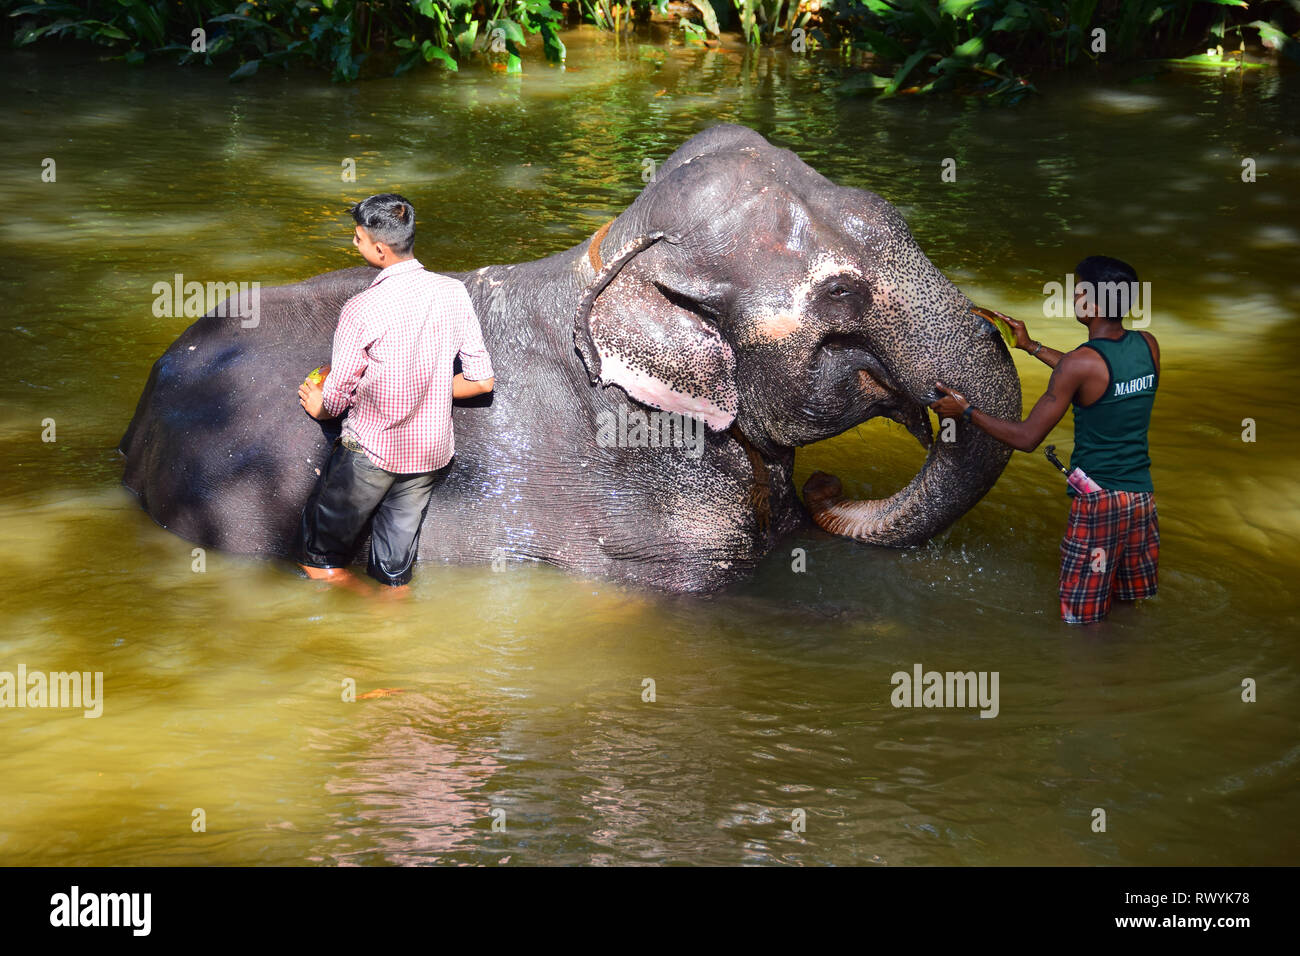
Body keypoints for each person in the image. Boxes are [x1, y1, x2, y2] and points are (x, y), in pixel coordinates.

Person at [930, 256, 1159, 625]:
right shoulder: (1148, 346)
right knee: (1126, 606)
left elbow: (1026, 438)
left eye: (1079, 292)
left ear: (1095, 304)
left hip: (1098, 504)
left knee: (1080, 621)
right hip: (1140, 501)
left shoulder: (1080, 365)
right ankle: (1133, 672)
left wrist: (966, 411)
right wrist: (1031, 345)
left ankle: (1081, 678)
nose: (1073, 299)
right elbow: (1098, 377)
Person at [294, 193, 495, 589]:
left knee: (319, 561)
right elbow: (481, 380)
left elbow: (337, 397)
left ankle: (359, 600)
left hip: (371, 453)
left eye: (358, 239)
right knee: (393, 576)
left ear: (380, 249)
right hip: (429, 454)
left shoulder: (362, 308)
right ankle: (391, 622)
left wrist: (321, 406)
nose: (355, 244)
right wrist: (432, 386)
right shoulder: (453, 293)